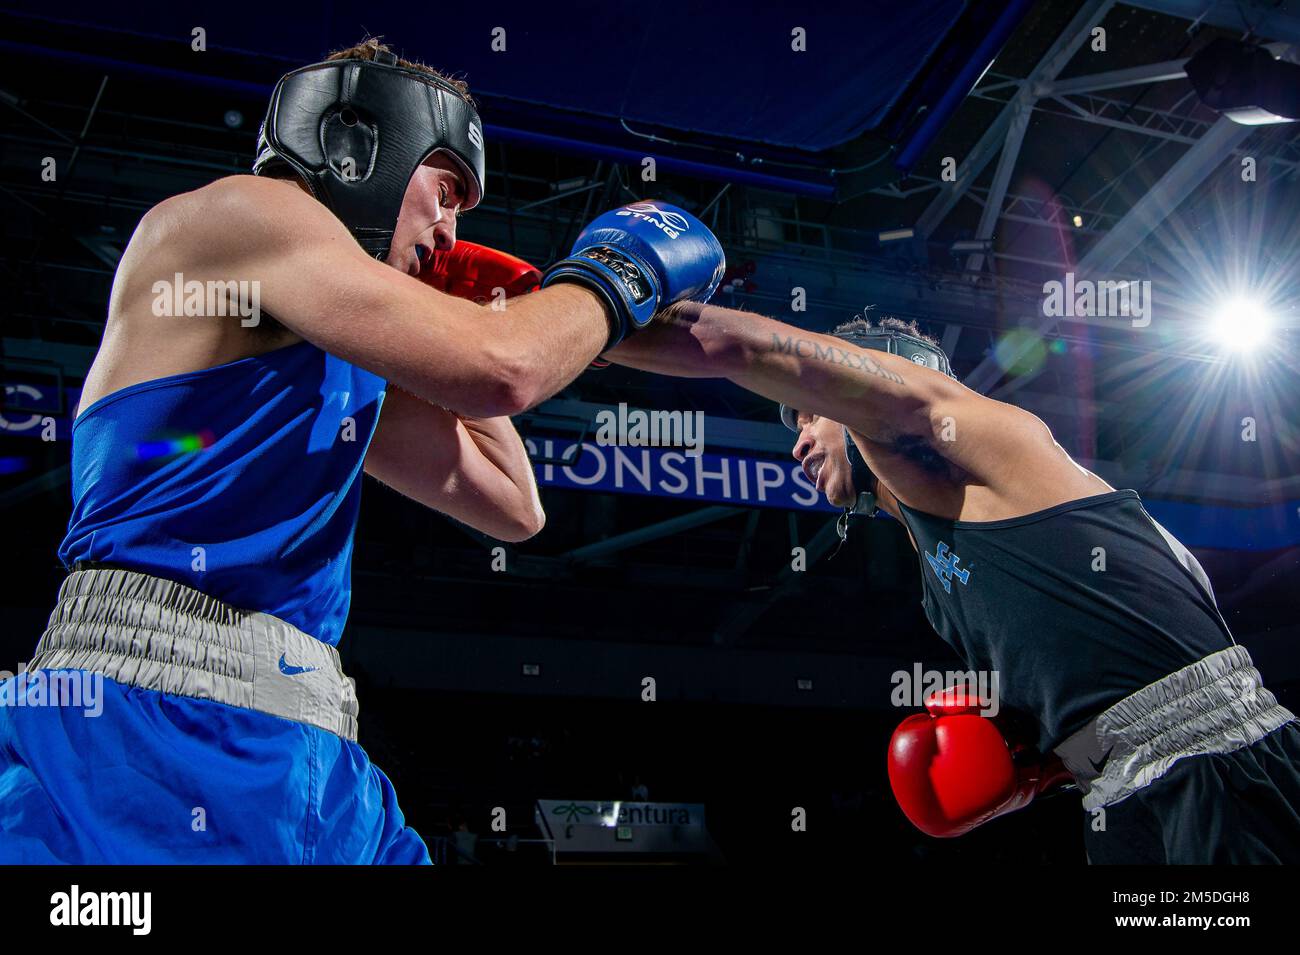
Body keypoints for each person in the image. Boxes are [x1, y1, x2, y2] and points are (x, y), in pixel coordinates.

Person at [0, 38, 724, 863]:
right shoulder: (245, 213)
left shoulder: (333, 357)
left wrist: (462, 309)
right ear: (354, 145)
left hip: (307, 740)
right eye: (446, 191)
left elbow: (512, 503)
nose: (450, 230)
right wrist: (612, 275)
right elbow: (506, 369)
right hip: (150, 727)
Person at [605, 305, 1300, 863]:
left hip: (1220, 774)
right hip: (1125, 797)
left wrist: (589, 312)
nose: (797, 441)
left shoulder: (973, 431)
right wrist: (1036, 764)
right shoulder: (944, 561)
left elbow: (761, 352)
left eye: (808, 413)